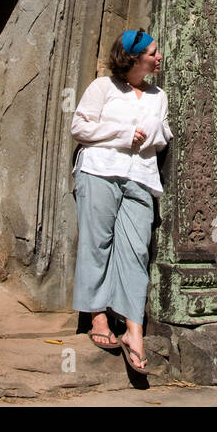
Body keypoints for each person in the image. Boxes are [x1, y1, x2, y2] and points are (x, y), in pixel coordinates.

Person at [70, 27, 171, 374]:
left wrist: (149, 135)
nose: (159, 57)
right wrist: (121, 134)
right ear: (133, 57)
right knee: (97, 243)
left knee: (136, 250)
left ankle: (133, 329)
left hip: (141, 177)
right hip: (99, 170)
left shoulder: (159, 95)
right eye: (153, 52)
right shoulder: (103, 88)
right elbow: (79, 128)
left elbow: (162, 136)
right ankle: (97, 317)